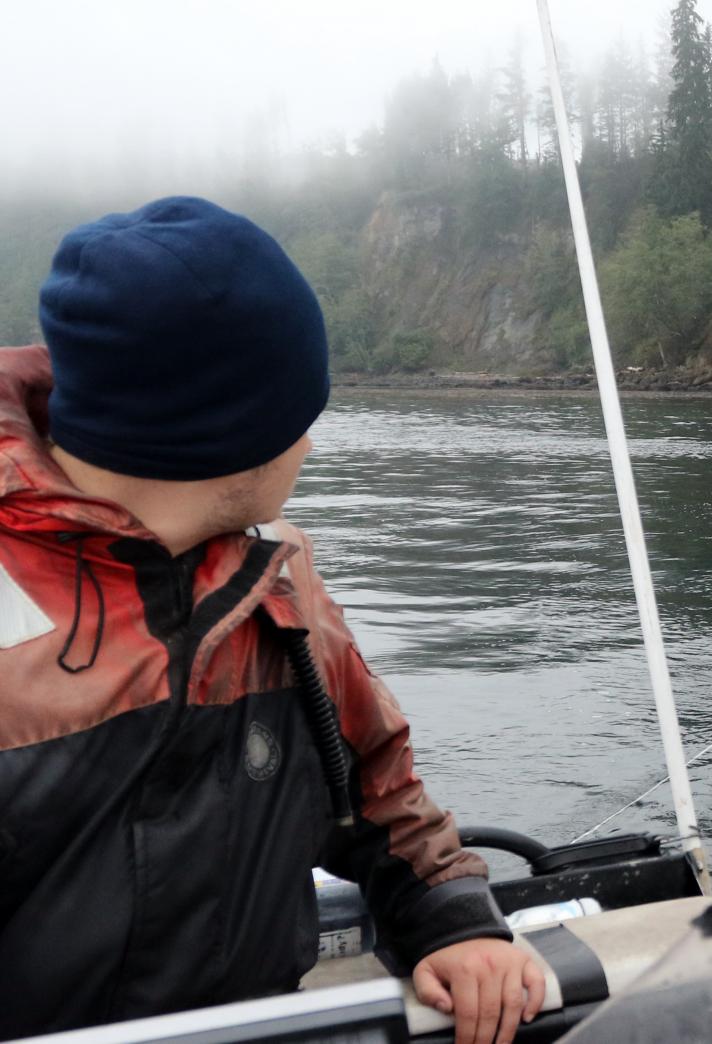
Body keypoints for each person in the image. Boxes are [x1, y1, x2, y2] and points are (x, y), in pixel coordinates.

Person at [0, 197, 544, 1042]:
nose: (311, 447)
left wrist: (450, 920)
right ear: (224, 432)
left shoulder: (276, 570)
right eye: (299, 420)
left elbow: (372, 783)